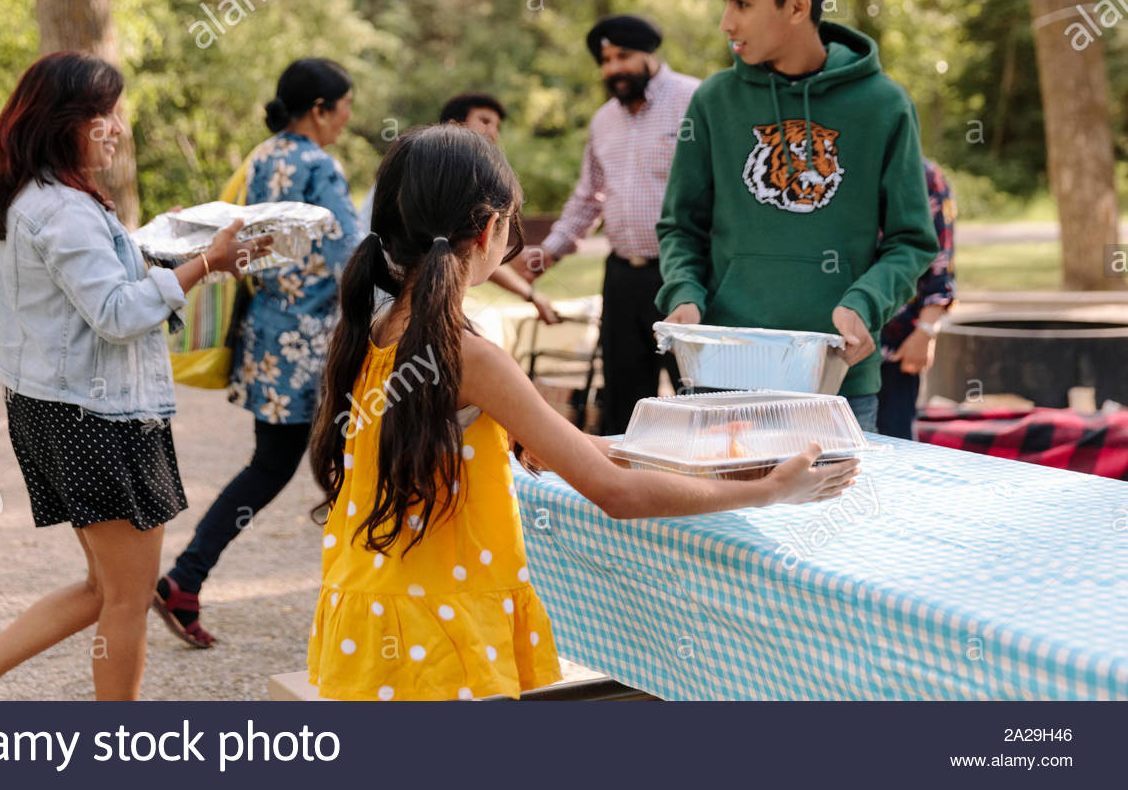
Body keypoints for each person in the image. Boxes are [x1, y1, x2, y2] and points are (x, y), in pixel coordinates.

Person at [304, 124, 861, 700]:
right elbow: (613, 493)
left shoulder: (375, 331)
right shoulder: (469, 356)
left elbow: (559, 444)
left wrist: (701, 462)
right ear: (490, 229)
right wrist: (771, 491)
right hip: (439, 630)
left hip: (369, 611)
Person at [0, 52, 260, 701]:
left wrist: (166, 245)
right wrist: (206, 264)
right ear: (61, 120)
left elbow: (87, 280)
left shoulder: (32, 194)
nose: (116, 128)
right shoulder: (64, 208)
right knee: (127, 600)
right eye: (101, 115)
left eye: (116, 114)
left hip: (54, 412)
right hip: (100, 420)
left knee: (105, 587)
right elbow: (114, 312)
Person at [657, 0, 938, 431]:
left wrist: (865, 301)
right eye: (726, 2)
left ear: (797, 6)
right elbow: (680, 227)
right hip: (722, 378)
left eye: (742, 3)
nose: (726, 22)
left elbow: (911, 241)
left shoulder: (884, 106)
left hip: (837, 385)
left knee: (840, 513)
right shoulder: (713, 102)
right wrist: (685, 296)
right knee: (721, 515)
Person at [152, 58, 361, 648]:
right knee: (356, 469)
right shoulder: (320, 164)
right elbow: (351, 255)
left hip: (268, 338)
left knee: (269, 467)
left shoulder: (262, 157)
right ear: (320, 109)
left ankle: (185, 580)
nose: (348, 117)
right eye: (344, 105)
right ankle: (364, 609)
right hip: (319, 344)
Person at [510, 15, 701, 433]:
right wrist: (551, 251)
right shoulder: (603, 121)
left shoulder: (695, 100)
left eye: (623, 57)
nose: (613, 68)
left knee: (700, 396)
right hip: (621, 280)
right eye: (606, 59)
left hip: (685, 276)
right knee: (624, 402)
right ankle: (623, 490)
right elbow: (587, 198)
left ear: (650, 55)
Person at [358, 92, 559, 325]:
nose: (493, 134)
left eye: (496, 126)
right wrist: (530, 294)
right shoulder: (432, 178)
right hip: (387, 302)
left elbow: (458, 246)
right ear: (453, 125)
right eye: (484, 121)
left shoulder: (422, 167)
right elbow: (457, 247)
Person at [877, 160, 956, 439]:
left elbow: (940, 262)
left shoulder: (923, 175)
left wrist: (925, 332)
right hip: (826, 351)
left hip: (895, 350)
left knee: (894, 451)